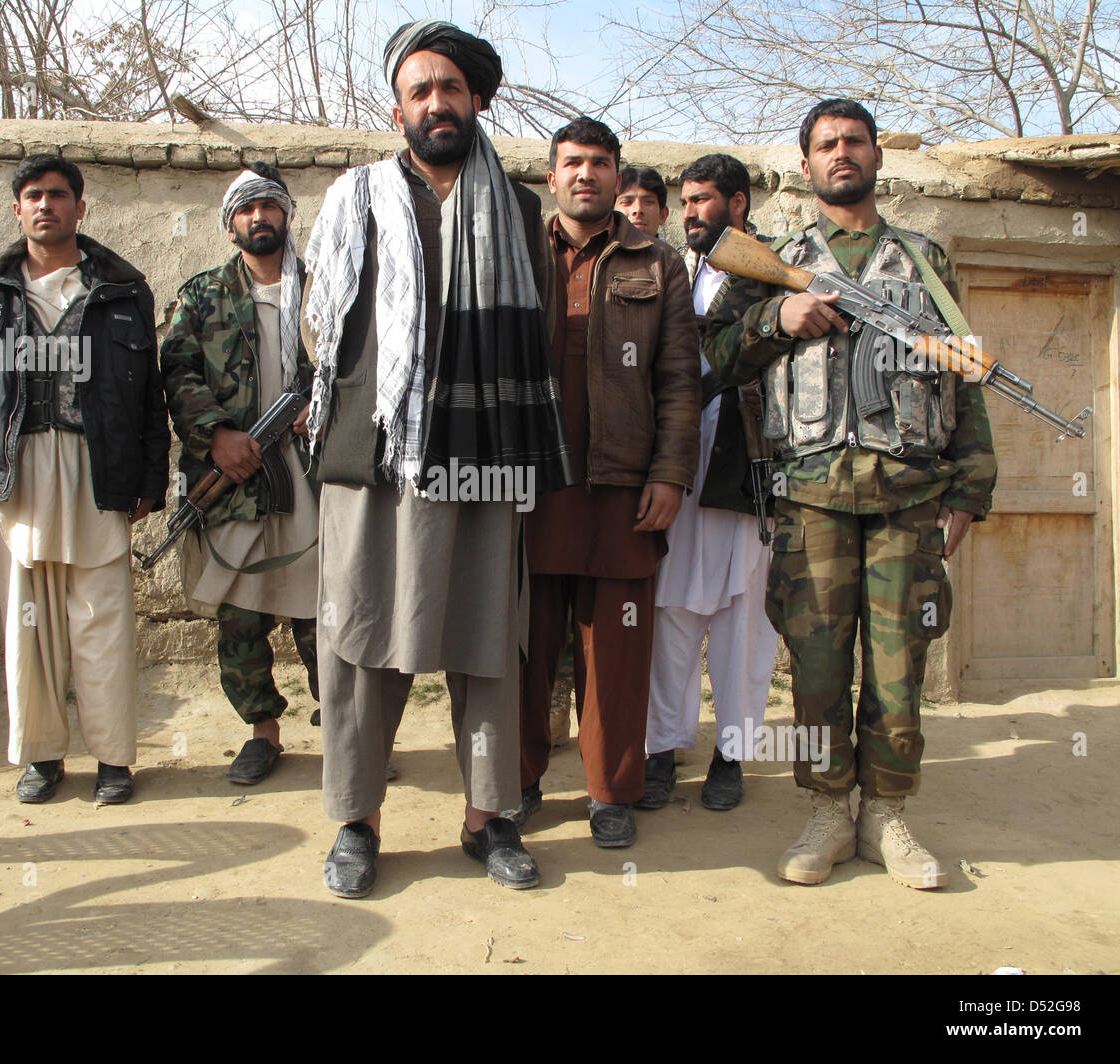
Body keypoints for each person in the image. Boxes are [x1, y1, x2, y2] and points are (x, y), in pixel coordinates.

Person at [301, 19, 572, 898]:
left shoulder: (520, 209)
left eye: (450, 87)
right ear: (398, 110)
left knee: (487, 642)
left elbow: (532, 346)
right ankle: (357, 820)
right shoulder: (358, 198)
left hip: (486, 455)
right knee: (359, 644)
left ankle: (487, 817)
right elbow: (324, 327)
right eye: (419, 91)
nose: (436, 103)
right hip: (377, 455)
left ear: (478, 99)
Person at [705, 99, 997, 888]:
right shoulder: (776, 257)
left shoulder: (924, 258)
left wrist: (969, 490)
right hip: (811, 500)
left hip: (909, 497)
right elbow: (721, 359)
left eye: (854, 142)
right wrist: (778, 317)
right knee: (820, 667)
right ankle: (828, 809)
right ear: (806, 166)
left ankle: (888, 815)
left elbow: (963, 378)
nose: (842, 153)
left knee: (899, 669)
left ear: (875, 156)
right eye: (826, 145)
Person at [0, 154, 169, 805]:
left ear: (79, 207)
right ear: (18, 209)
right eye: (33, 196)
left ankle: (114, 760)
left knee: (101, 622)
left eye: (58, 195)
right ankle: (41, 757)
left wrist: (153, 476)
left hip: (97, 469)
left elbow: (149, 392)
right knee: (28, 626)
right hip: (18, 473)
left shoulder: (122, 288)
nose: (46, 206)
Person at [511, 116, 701, 849]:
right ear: (551, 176)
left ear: (620, 178)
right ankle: (518, 781)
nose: (584, 174)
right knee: (523, 646)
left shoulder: (658, 263)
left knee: (615, 653)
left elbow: (680, 381)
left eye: (598, 163)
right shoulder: (518, 254)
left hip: (620, 489)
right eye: (571, 163)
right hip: (526, 488)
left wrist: (671, 474)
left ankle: (611, 790)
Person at [160, 163, 320, 786]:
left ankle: (345, 726)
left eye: (270, 206)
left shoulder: (326, 287)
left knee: (322, 610)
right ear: (231, 226)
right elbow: (177, 373)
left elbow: (368, 359)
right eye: (245, 209)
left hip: (313, 472)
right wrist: (217, 436)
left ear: (286, 215)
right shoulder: (202, 296)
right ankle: (262, 731)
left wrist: (327, 408)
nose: (259, 218)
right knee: (241, 610)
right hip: (236, 478)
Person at [640, 154, 778, 814]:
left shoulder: (772, 275)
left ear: (739, 204)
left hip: (742, 469)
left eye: (703, 201)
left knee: (742, 625)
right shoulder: (682, 271)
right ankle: (662, 748)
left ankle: (732, 754)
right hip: (680, 470)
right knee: (670, 613)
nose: (691, 212)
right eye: (686, 202)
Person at [614, 166, 670, 239]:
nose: (638, 209)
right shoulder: (596, 249)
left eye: (648, 202)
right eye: (626, 202)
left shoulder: (669, 251)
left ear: (662, 215)